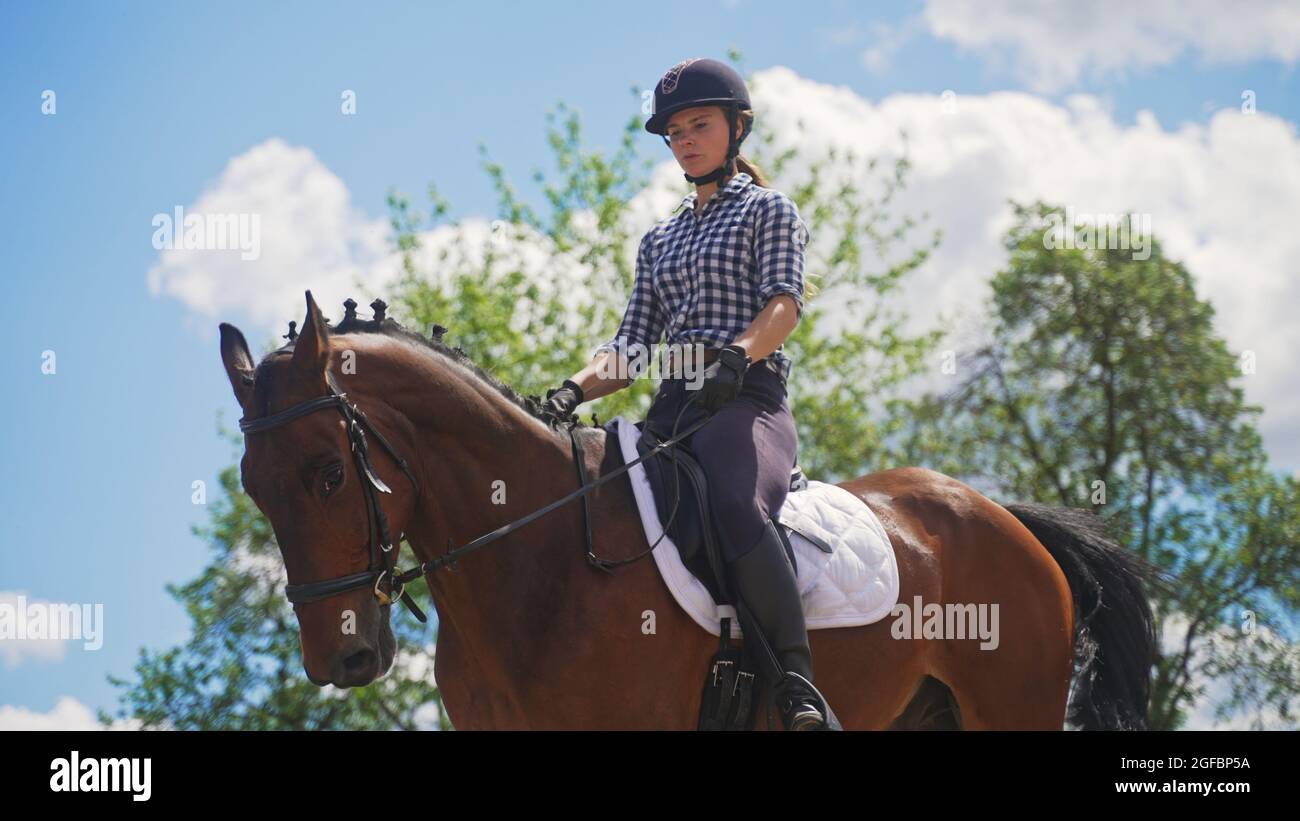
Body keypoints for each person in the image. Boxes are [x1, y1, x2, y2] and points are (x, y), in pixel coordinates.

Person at [543, 57, 834, 731]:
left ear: (737, 129)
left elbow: (784, 306)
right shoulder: (660, 239)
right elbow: (630, 347)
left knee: (733, 500)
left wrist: (737, 355)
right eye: (674, 132)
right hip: (673, 406)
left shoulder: (769, 210)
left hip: (745, 399)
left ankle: (796, 683)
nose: (685, 141)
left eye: (698, 125)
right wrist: (569, 391)